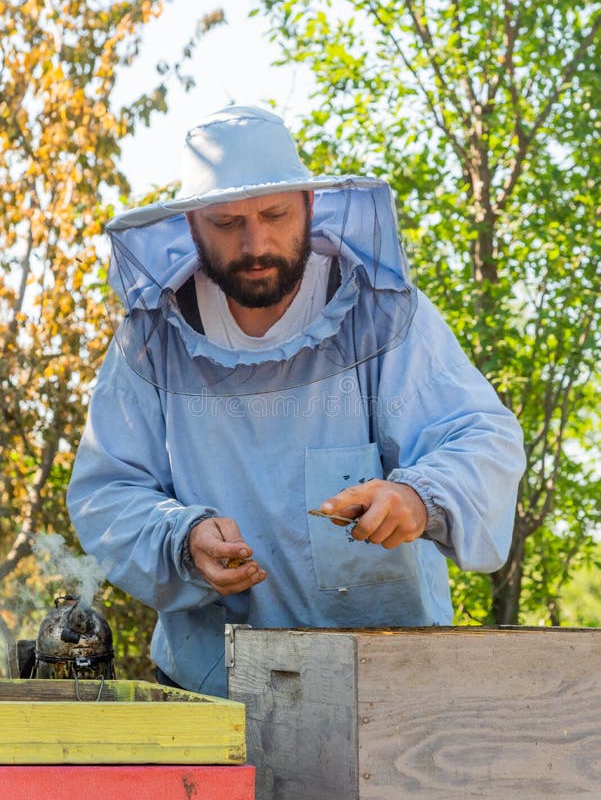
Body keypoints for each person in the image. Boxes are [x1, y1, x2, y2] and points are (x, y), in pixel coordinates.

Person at [67, 105, 525, 696]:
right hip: (211, 683)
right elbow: (107, 491)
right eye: (227, 223)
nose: (255, 243)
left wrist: (418, 497)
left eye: (275, 215)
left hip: (385, 678)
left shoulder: (379, 313)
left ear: (309, 206)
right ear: (191, 228)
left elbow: (479, 436)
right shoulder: (153, 340)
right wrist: (182, 539)